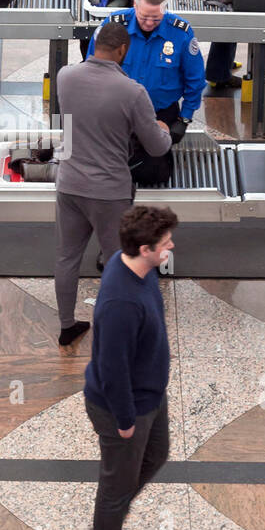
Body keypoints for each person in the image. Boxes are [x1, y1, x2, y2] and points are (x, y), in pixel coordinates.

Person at [53, 21, 172, 347]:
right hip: (109, 193)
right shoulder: (132, 92)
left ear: (94, 45)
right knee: (120, 265)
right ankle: (115, 333)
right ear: (123, 50)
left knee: (67, 258)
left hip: (69, 184)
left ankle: (66, 326)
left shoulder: (65, 76)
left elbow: (64, 119)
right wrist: (162, 127)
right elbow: (157, 147)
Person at [83, 204, 177, 530]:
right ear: (145, 249)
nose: (170, 248)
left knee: (156, 455)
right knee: (118, 482)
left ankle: (109, 524)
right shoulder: (120, 301)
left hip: (150, 395)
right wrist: (124, 420)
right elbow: (111, 369)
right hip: (125, 406)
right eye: (165, 244)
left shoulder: (141, 272)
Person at [88, 0, 204, 186]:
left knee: (153, 175)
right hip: (117, 112)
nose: (149, 23)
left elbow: (195, 80)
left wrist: (184, 120)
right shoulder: (113, 26)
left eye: (156, 18)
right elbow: (93, 69)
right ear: (134, 5)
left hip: (158, 115)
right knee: (104, 170)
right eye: (144, 17)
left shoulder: (181, 33)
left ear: (165, 9)